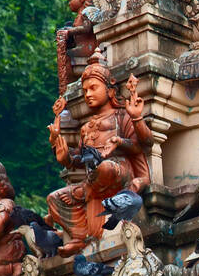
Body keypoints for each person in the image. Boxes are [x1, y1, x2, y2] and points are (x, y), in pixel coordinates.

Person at [46, 60, 152, 254]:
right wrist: (65, 157)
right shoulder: (86, 127)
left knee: (106, 168)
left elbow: (143, 144)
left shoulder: (121, 116)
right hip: (94, 180)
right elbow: (80, 159)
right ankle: (79, 237)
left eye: (93, 88)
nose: (88, 94)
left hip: (117, 171)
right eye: (85, 90)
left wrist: (132, 124)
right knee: (54, 198)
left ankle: (88, 190)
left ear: (110, 90)